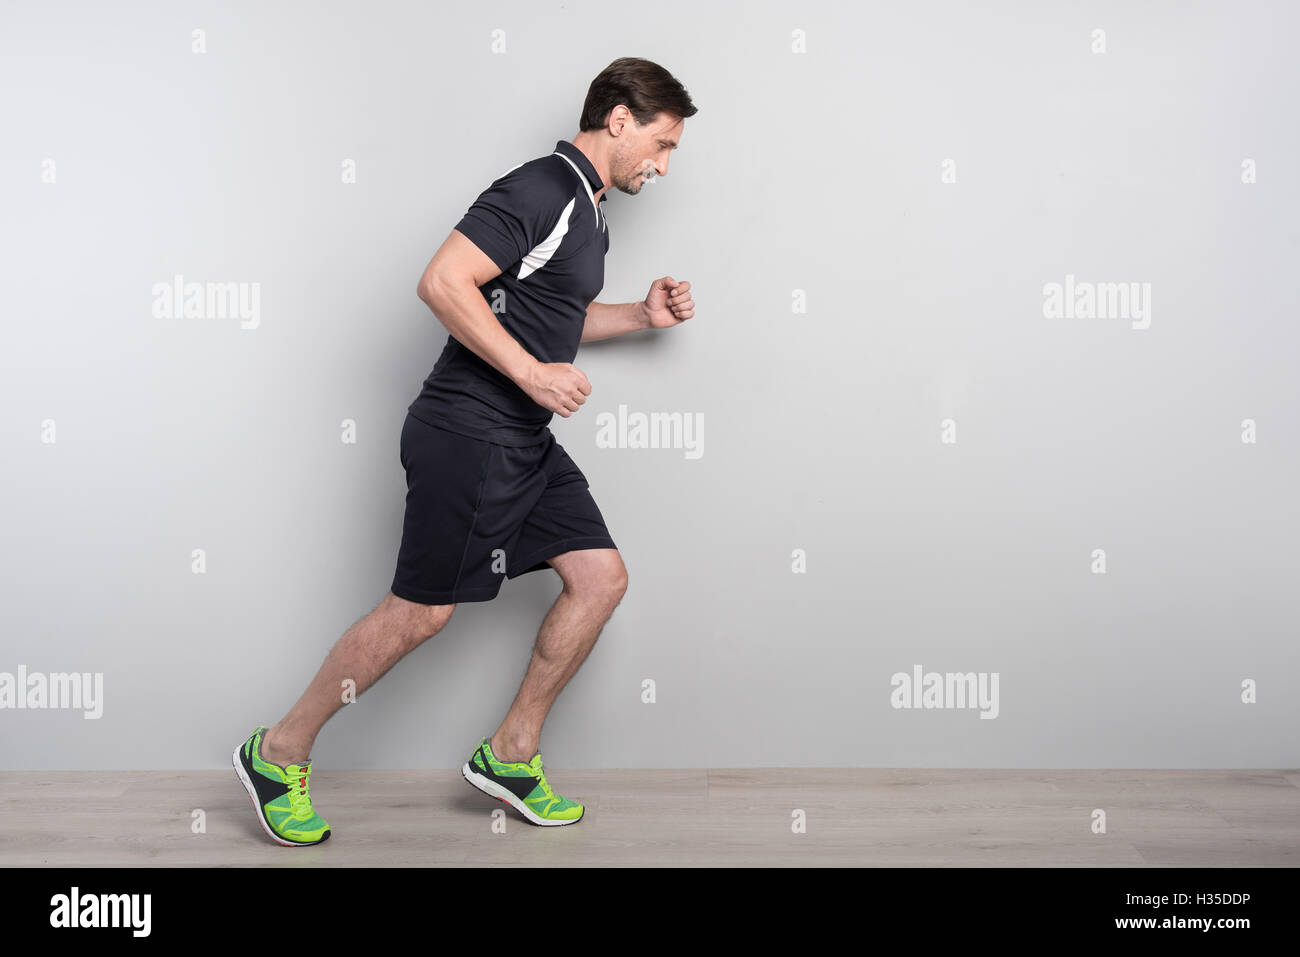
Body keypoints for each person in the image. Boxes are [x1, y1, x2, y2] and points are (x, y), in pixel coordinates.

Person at [233, 57, 697, 844]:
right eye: (661, 144)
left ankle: (511, 752)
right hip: (468, 429)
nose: (661, 164)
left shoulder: (588, 209)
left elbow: (558, 317)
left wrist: (642, 318)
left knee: (599, 577)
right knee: (420, 613)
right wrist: (530, 375)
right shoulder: (542, 187)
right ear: (619, 119)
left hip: (522, 435)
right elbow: (444, 280)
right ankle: (278, 751)